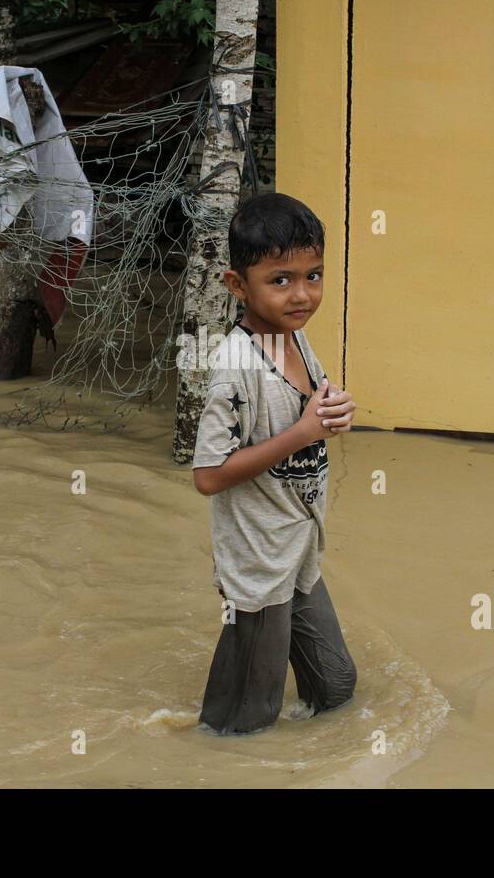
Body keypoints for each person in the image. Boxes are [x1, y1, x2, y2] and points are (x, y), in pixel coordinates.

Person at [190, 191, 358, 735]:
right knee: (246, 719)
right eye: (280, 279)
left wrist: (333, 413)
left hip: (299, 545)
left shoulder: (296, 338)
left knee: (335, 688)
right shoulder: (235, 370)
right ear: (237, 285)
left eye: (314, 275)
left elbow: (309, 413)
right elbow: (208, 476)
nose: (301, 294)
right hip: (261, 557)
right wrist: (304, 431)